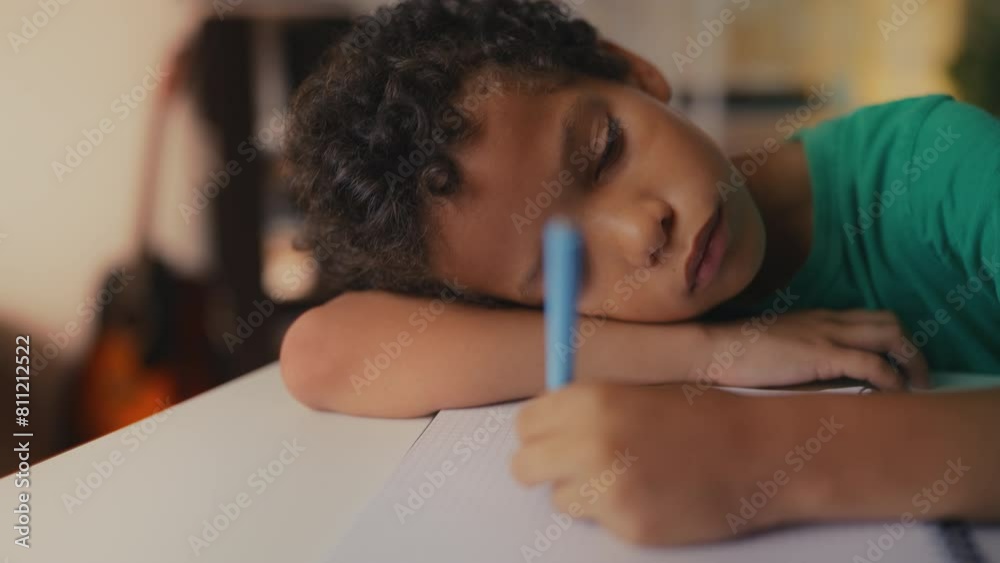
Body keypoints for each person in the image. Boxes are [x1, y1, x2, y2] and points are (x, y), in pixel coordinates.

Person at [279, 0, 1000, 544]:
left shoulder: (932, 169)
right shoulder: (609, 317)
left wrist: (760, 455)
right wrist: (711, 351)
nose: (639, 232)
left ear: (633, 73)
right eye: (566, 264)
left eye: (603, 150)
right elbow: (320, 351)